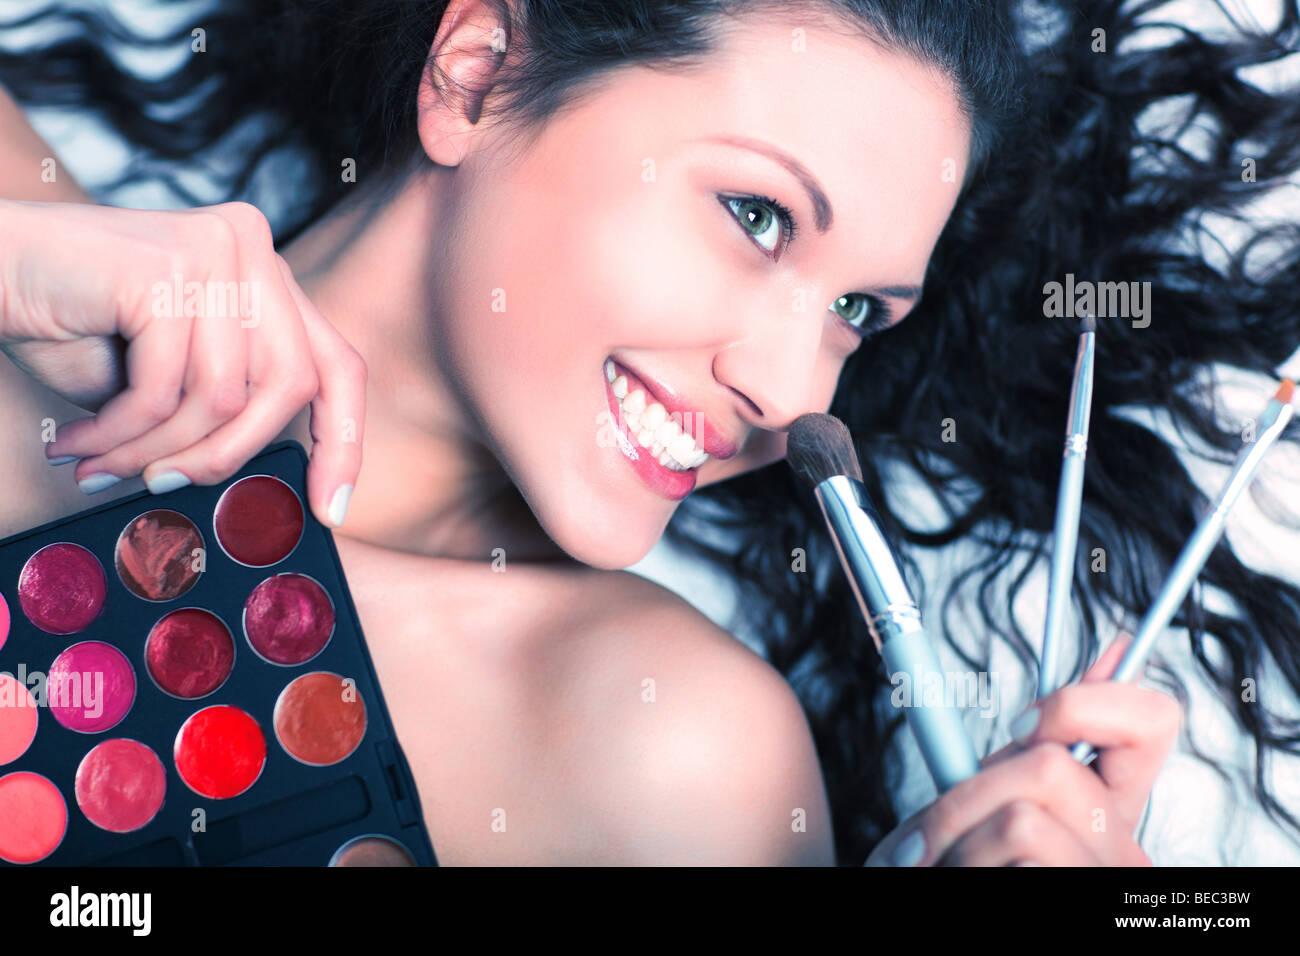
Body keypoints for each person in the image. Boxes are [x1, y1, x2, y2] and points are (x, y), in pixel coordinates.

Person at [1, 0, 1296, 865]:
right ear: (477, 75)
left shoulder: (662, 747)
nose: (795, 393)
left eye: (857, 312)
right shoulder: (26, 242)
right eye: (757, 215)